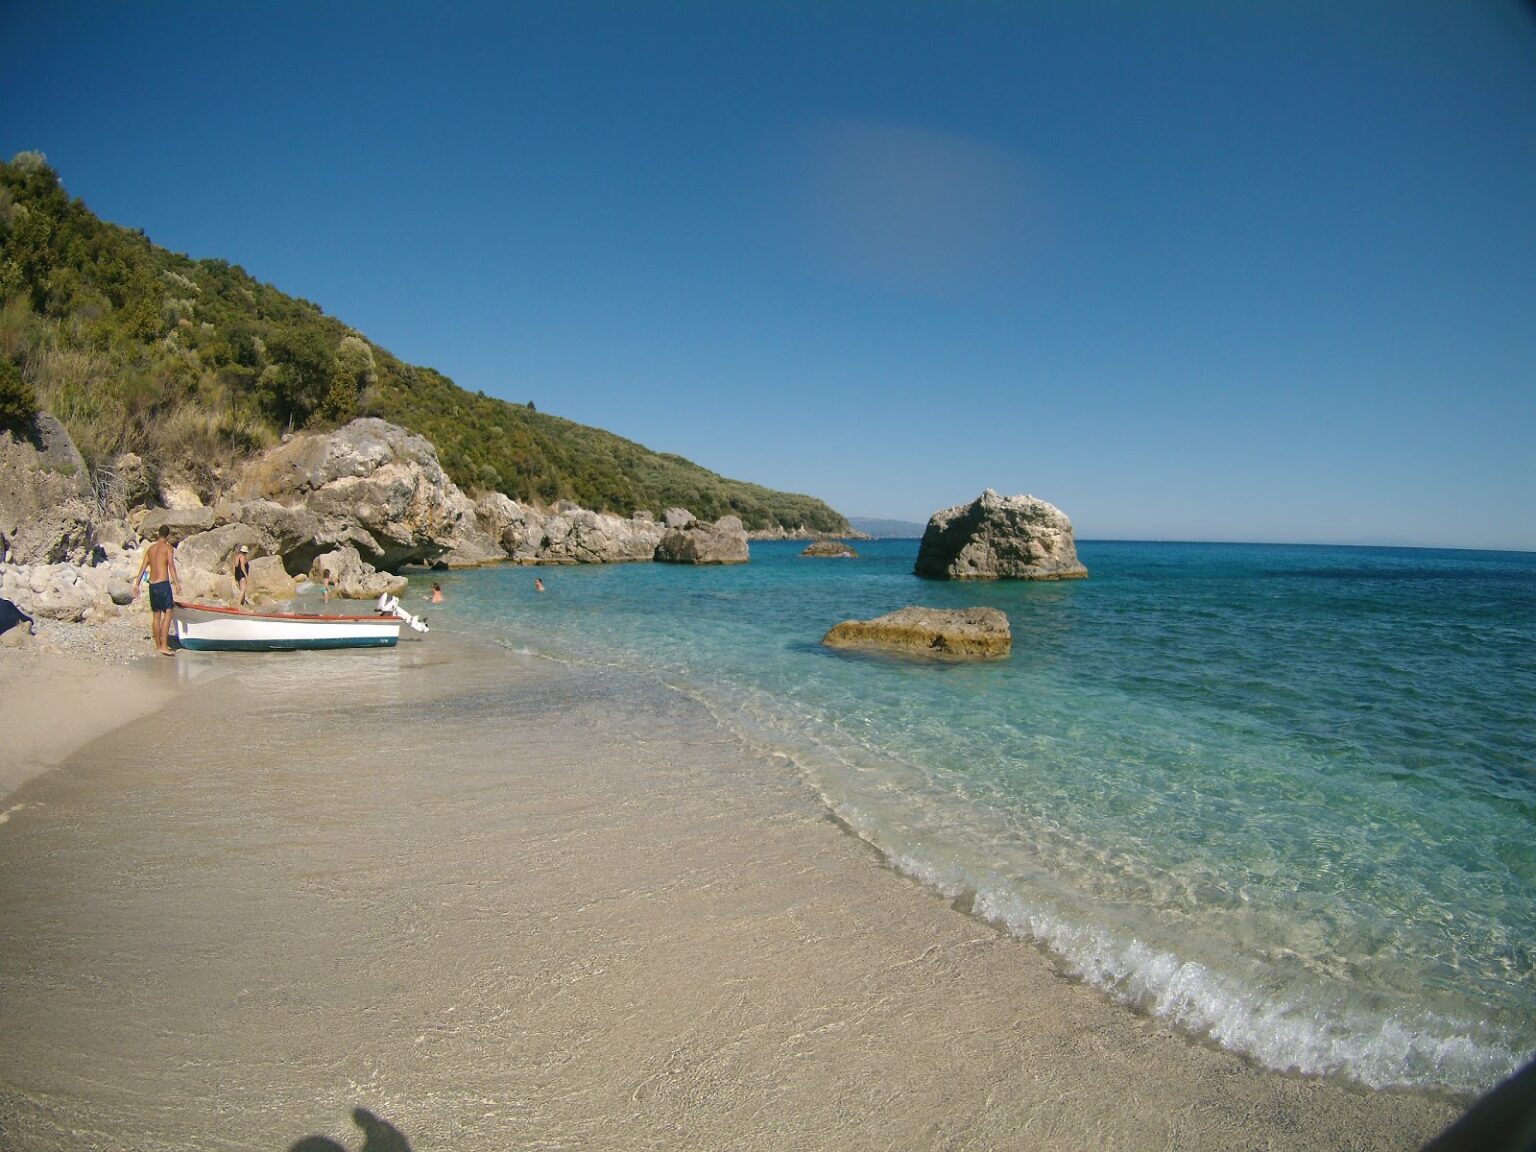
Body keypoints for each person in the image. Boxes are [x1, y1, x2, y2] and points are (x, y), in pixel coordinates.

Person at [132, 525, 181, 656]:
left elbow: (143, 567)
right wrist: (177, 583)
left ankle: (158, 645)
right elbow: (171, 566)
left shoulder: (151, 549)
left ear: (158, 534)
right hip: (163, 585)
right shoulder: (168, 548)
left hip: (152, 586)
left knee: (156, 615)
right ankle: (164, 646)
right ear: (168, 536)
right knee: (168, 613)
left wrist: (136, 584)